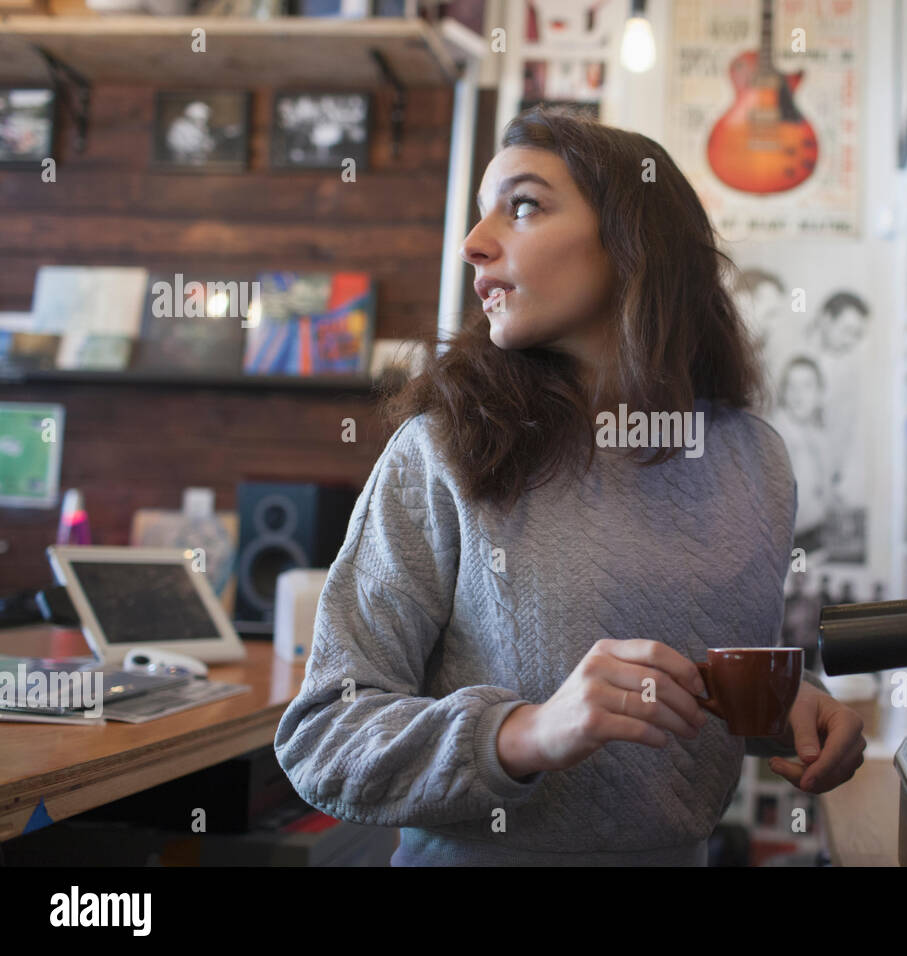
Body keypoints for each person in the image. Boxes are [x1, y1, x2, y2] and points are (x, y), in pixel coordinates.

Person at [274, 104, 866, 866]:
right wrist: (528, 733)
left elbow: (682, 705)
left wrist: (782, 714)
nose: (474, 244)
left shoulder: (754, 462)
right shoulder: (443, 451)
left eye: (523, 206)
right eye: (484, 212)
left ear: (634, 243)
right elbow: (324, 734)